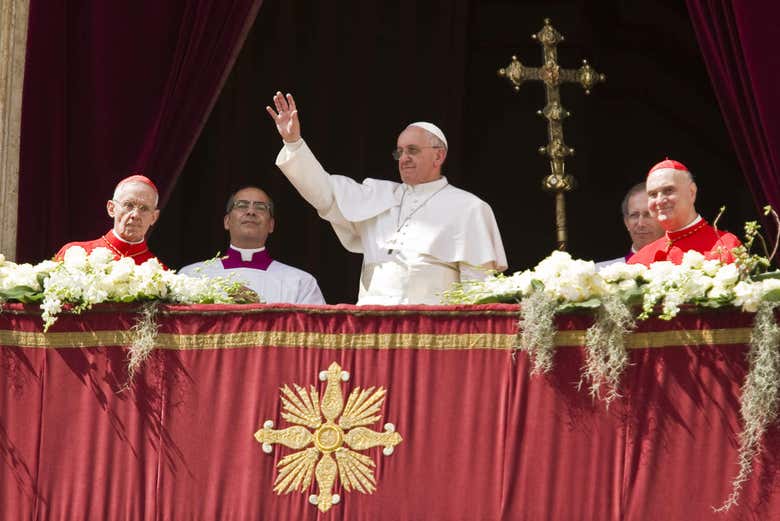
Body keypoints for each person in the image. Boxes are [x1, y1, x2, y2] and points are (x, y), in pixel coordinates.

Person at [265, 91, 507, 305]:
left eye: (413, 150)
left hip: (433, 337)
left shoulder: (469, 208)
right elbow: (324, 192)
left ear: (439, 156)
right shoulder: (377, 196)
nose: (404, 158)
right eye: (399, 152)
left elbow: (477, 291)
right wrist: (294, 143)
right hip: (373, 328)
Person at [179, 186, 325, 304]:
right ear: (227, 221)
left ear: (271, 225)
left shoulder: (300, 283)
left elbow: (315, 335)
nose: (251, 211)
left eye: (260, 207)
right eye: (242, 206)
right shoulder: (191, 277)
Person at [627, 159, 741, 266]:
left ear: (691, 192)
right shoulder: (639, 261)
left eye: (668, 190)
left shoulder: (727, 245)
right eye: (652, 194)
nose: (660, 201)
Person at [54, 174, 164, 265]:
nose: (135, 215)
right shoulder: (74, 254)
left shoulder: (160, 274)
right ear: (111, 208)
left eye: (144, 208)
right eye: (129, 205)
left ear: (154, 217)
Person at [596, 182, 664, 268]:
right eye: (634, 215)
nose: (640, 224)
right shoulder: (601, 273)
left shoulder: (682, 270)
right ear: (626, 222)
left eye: (648, 215)